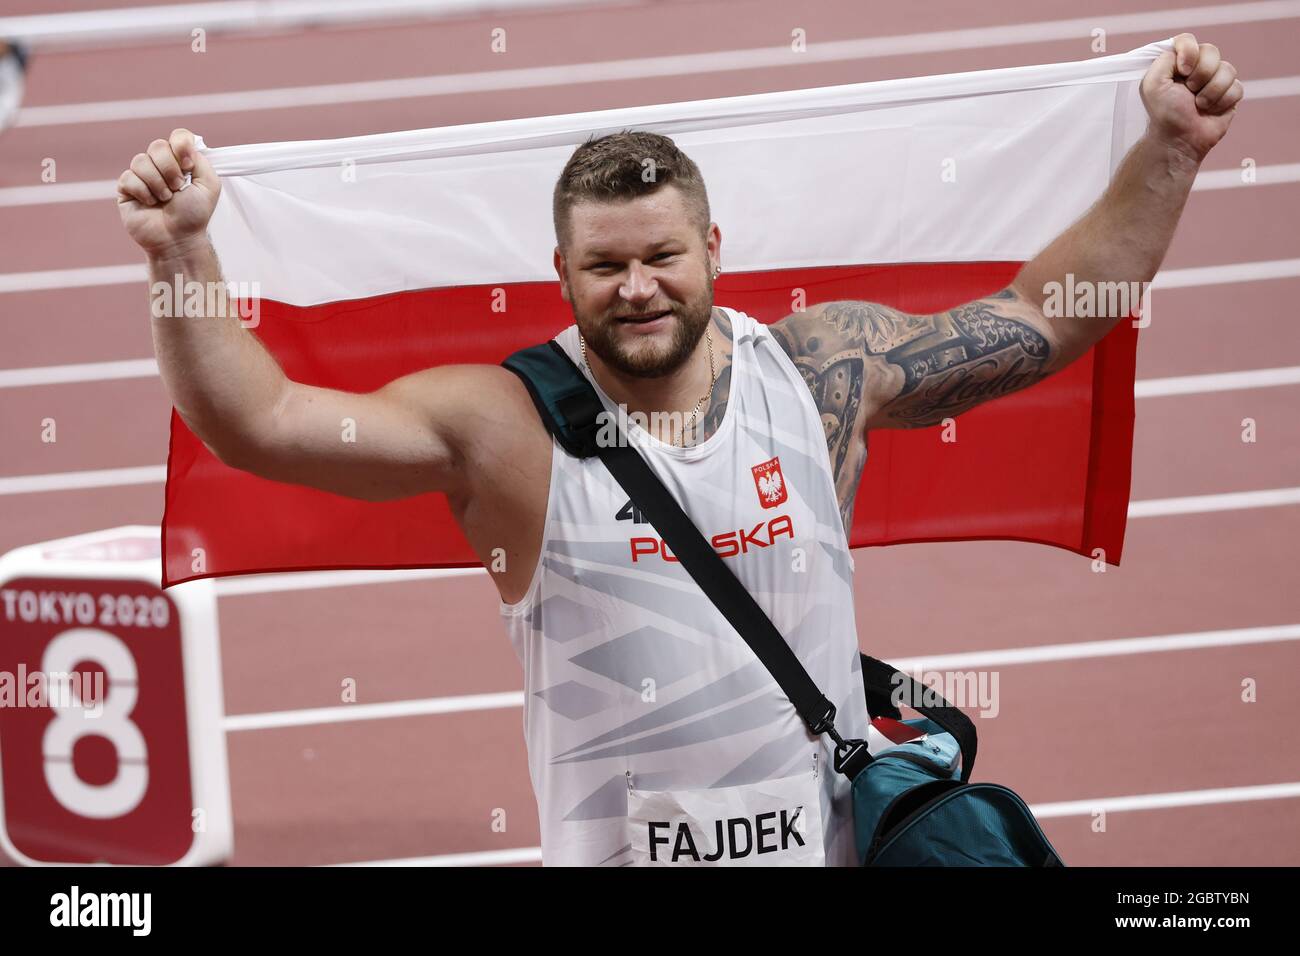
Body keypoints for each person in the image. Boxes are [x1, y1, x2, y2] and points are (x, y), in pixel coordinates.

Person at [117, 34, 1239, 866]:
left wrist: (1173, 149)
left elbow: (1045, 314)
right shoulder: (503, 429)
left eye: (662, 253)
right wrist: (181, 254)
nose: (638, 285)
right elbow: (258, 421)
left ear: (713, 249)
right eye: (605, 264)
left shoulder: (816, 375)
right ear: (562, 275)